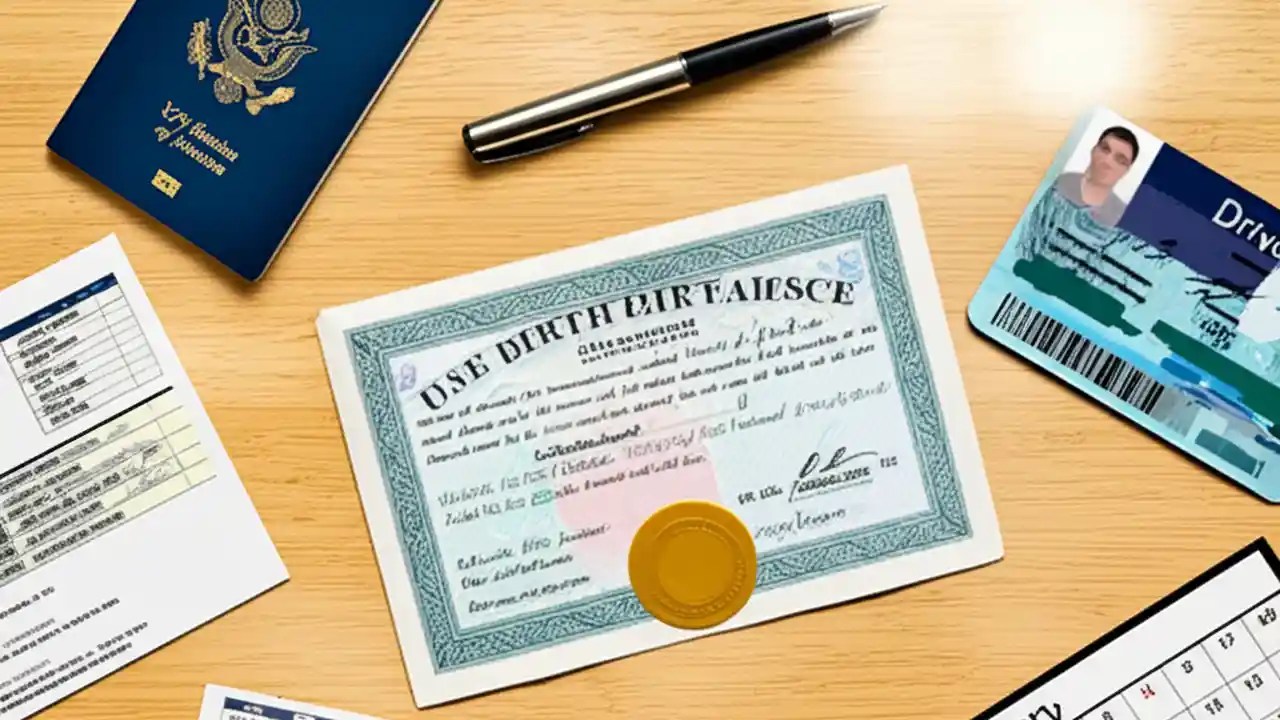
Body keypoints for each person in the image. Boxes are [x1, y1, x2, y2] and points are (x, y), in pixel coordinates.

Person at [1054, 126, 1140, 227]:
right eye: (1105, 149)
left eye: (1120, 160)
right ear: (1093, 150)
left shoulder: (1122, 217)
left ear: (1127, 170)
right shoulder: (1060, 182)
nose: (1108, 161)